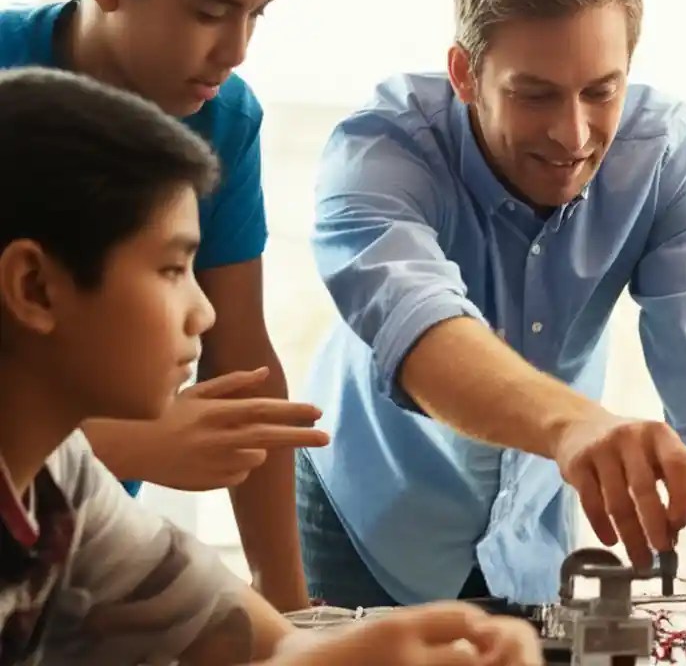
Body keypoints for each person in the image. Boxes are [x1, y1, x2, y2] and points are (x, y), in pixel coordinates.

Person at [0, 65, 543, 666]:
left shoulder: (58, 480)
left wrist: (379, 650)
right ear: (34, 288)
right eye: (172, 270)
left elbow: (244, 634)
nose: (204, 314)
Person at [300, 0, 686, 608]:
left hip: (532, 531)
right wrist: (576, 426)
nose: (572, 133)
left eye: (601, 91)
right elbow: (424, 330)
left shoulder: (662, 153)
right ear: (465, 72)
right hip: (371, 508)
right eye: (534, 94)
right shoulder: (379, 149)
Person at [0, 0, 328, 611]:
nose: (236, 49)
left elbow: (239, 349)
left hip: (70, 538)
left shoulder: (225, 118)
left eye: (257, 14)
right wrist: (123, 444)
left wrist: (291, 610)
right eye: (211, 12)